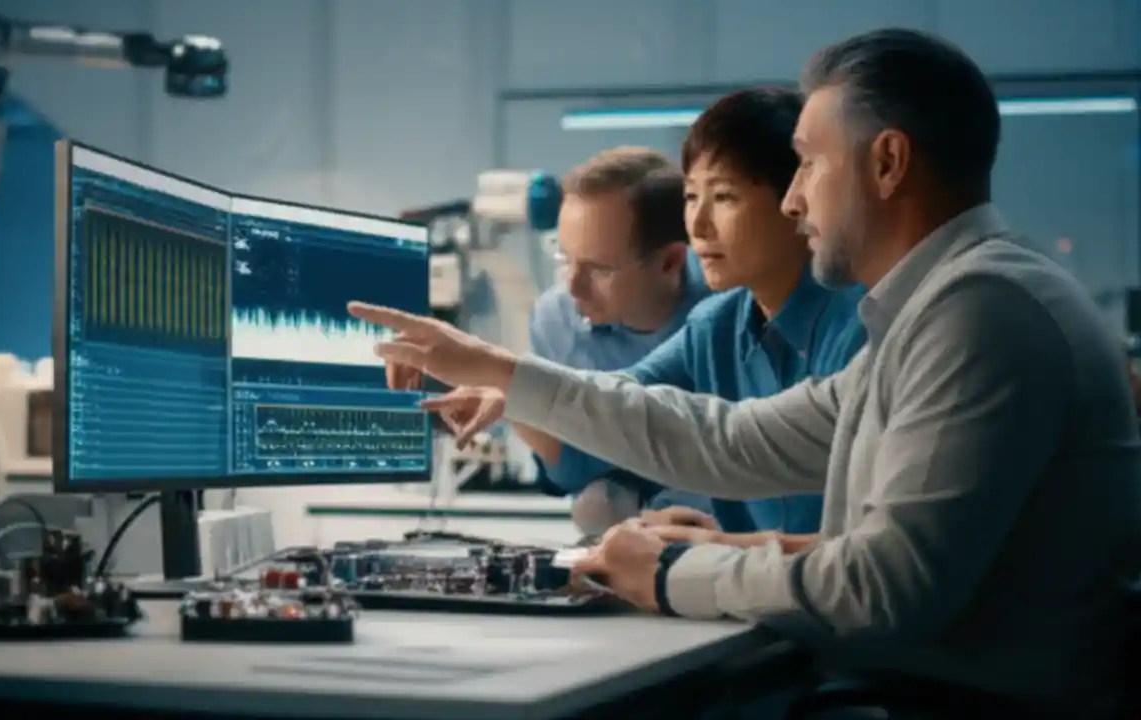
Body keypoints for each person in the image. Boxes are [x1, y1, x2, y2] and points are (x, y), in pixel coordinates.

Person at [350, 28, 1141, 716]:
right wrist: (499, 368)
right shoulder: (942, 310)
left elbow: (880, 590)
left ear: (889, 162)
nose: (795, 201)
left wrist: (671, 573)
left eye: (806, 166)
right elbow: (727, 438)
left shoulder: (980, 312)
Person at [430, 88, 867, 539]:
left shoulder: (865, 328)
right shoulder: (714, 329)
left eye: (725, 198)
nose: (698, 225)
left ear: (797, 200)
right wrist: (513, 393)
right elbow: (611, 421)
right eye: (692, 197)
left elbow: (873, 549)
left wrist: (721, 550)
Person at [393, 146, 715, 534]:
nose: (573, 286)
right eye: (565, 260)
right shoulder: (556, 319)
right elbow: (576, 472)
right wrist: (515, 404)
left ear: (670, 263)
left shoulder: (730, 313)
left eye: (598, 269)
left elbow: (747, 447)